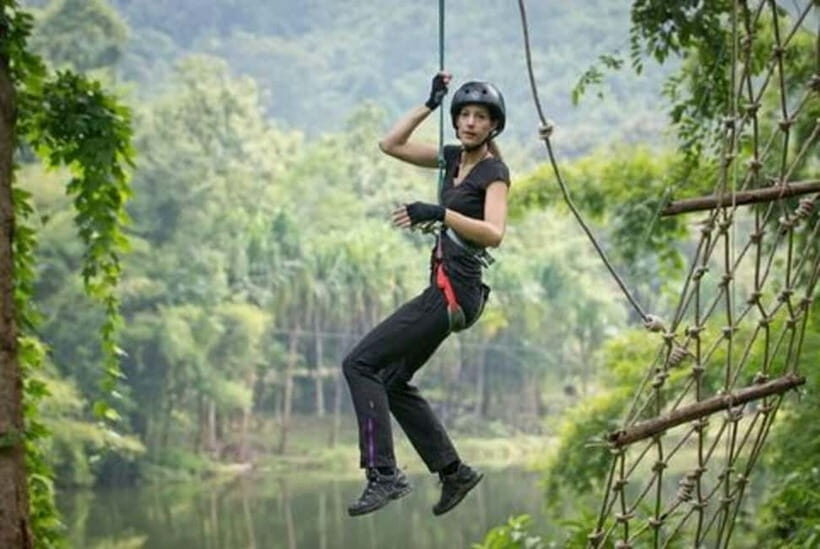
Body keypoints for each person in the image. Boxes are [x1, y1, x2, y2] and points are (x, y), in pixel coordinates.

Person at [342, 71, 511, 517]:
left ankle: (383, 475)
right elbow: (391, 145)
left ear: (493, 126)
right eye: (465, 115)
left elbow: (494, 233)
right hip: (444, 289)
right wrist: (430, 104)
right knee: (393, 380)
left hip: (454, 292)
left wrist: (441, 212)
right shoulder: (452, 159)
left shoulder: (495, 172)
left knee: (359, 364)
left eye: (481, 117)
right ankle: (453, 471)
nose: (471, 123)